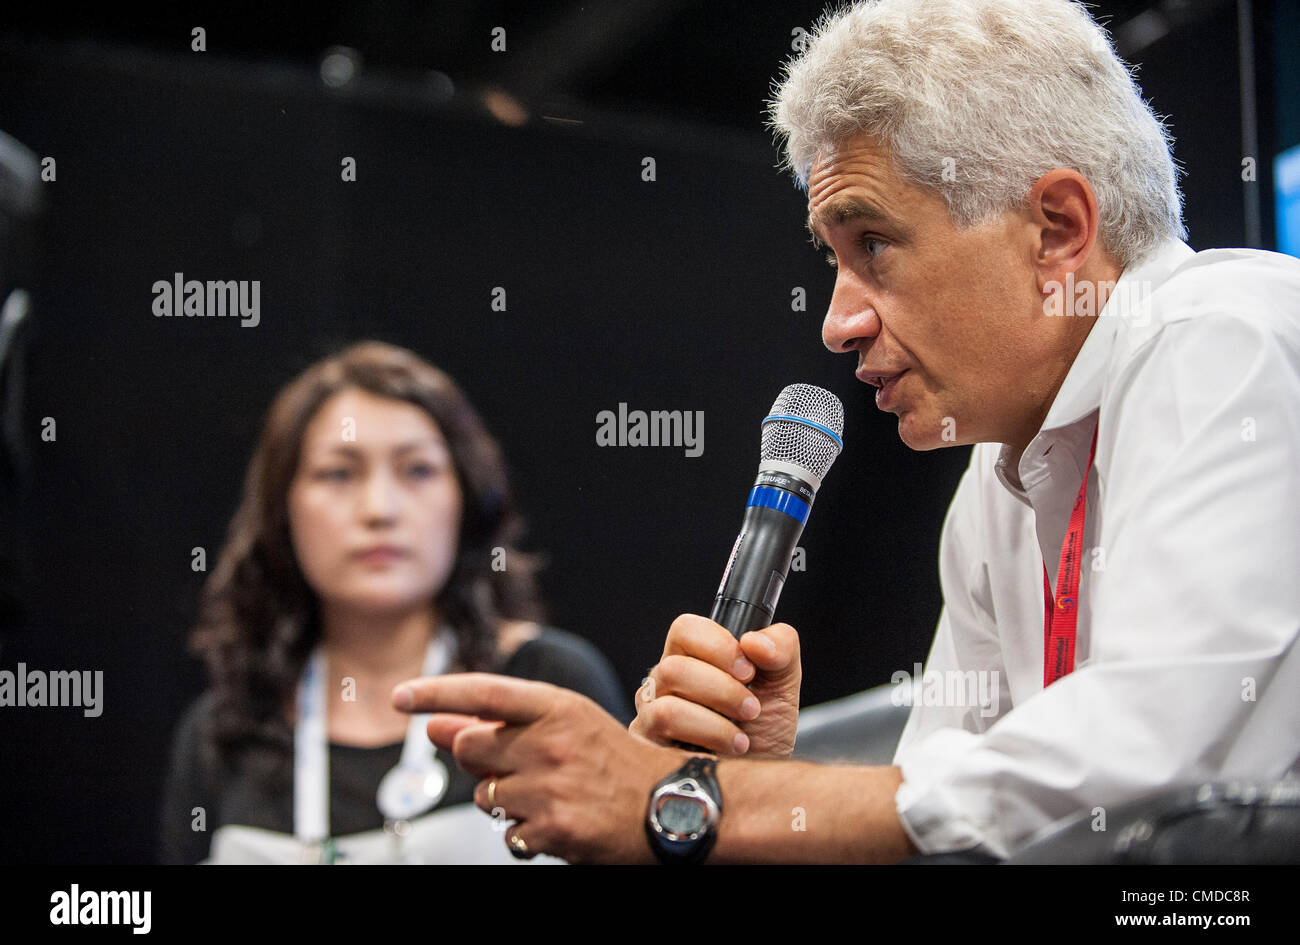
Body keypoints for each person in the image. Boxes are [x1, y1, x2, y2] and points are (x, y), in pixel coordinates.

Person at [393, 0, 1300, 863]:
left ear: (1058, 229)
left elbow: (1152, 771)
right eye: (833, 259)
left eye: (873, 244)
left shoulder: (1219, 334)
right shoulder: (998, 476)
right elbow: (958, 835)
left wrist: (691, 805)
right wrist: (763, 795)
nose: (837, 323)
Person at [159, 341, 630, 864]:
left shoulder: (546, 683)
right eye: (339, 473)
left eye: (418, 470)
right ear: (282, 509)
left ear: (466, 501)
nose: (379, 509)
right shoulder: (225, 730)